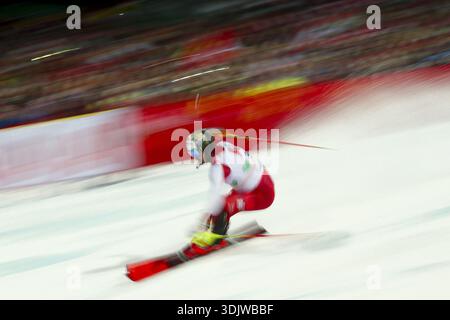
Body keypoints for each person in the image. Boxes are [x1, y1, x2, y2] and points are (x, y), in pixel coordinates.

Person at [186, 128, 275, 248]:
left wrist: (200, 222)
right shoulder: (223, 145)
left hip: (262, 194)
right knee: (218, 209)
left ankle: (216, 237)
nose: (195, 157)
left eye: (196, 153)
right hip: (261, 182)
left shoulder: (218, 167)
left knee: (222, 205)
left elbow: (214, 197)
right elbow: (215, 134)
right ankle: (215, 231)